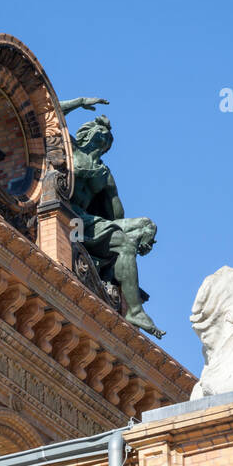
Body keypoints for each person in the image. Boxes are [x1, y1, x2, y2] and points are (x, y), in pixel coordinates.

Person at [60, 97, 165, 338]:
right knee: (120, 238)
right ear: (87, 136)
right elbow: (51, 110)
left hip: (85, 220)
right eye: (100, 135)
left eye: (107, 140)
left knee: (134, 235)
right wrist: (80, 102)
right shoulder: (71, 148)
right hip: (68, 215)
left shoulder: (105, 174)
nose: (103, 140)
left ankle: (135, 311)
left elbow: (117, 215)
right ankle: (134, 309)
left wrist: (144, 228)